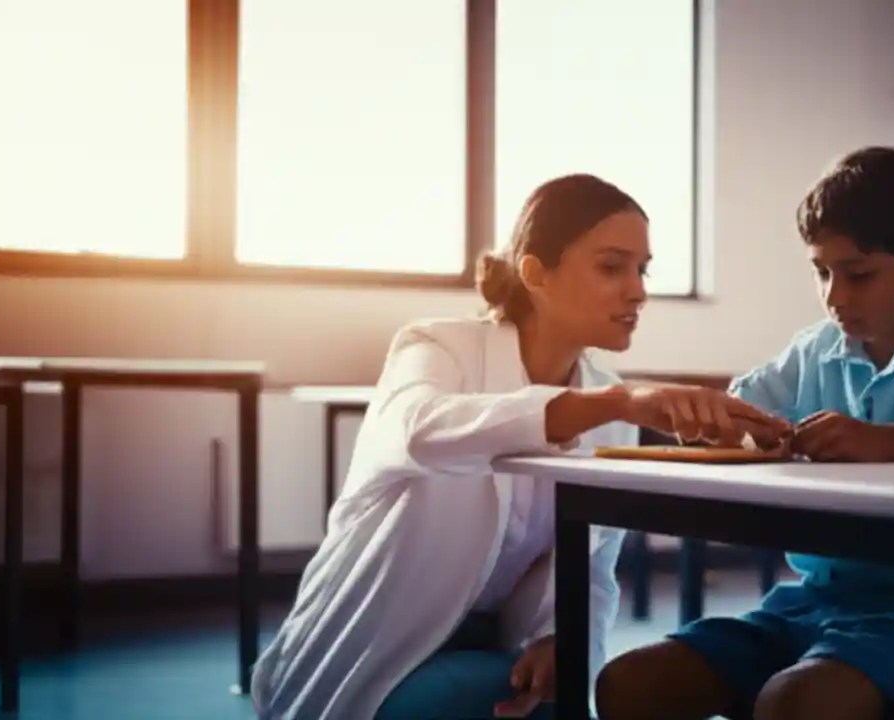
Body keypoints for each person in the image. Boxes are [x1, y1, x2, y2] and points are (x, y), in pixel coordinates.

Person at [250, 174, 790, 720]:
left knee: (553, 692)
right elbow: (420, 430)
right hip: (373, 653)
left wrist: (558, 636)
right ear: (535, 273)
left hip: (494, 646)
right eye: (611, 267)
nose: (638, 291)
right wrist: (613, 403)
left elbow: (593, 566)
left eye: (642, 269)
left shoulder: (607, 402)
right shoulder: (439, 346)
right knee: (520, 704)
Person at [595, 148, 894, 720]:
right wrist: (724, 425)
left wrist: (882, 443)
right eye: (822, 272)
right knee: (628, 684)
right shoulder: (815, 350)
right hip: (816, 604)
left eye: (859, 274)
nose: (835, 296)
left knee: (793, 704)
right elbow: (735, 414)